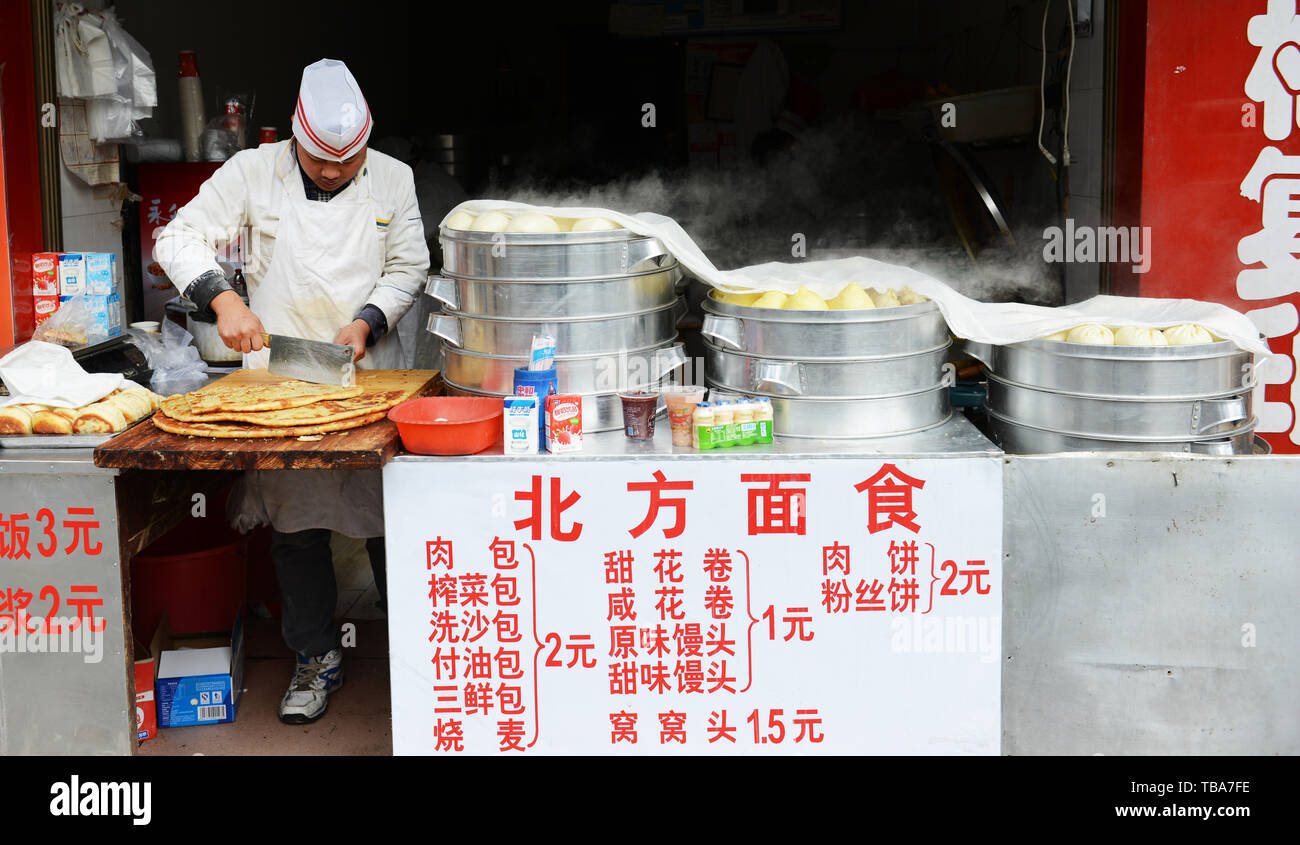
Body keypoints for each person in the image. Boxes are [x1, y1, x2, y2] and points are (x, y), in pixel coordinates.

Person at [155, 59, 429, 724]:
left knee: (392, 521)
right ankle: (315, 657)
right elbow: (178, 237)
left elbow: (410, 264)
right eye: (320, 161)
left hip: (373, 375)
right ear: (296, 140)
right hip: (282, 381)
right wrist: (222, 299)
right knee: (297, 523)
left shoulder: (394, 179)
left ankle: (416, 660)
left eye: (348, 161)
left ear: (366, 142)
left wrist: (366, 322)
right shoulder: (252, 171)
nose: (334, 172)